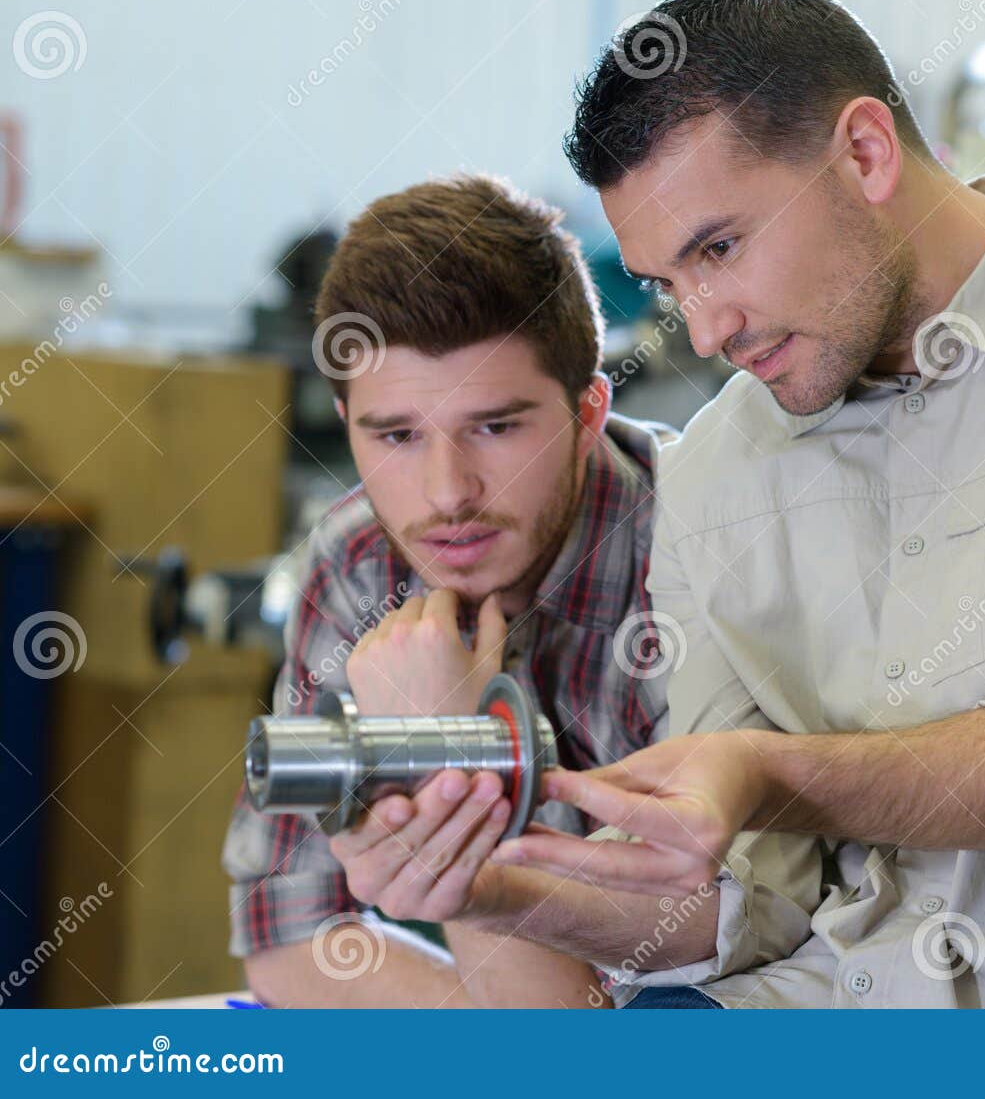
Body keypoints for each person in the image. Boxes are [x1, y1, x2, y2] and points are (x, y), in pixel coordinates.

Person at [329, 0, 985, 1009]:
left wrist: (772, 773)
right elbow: (748, 902)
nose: (704, 331)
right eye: (667, 283)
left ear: (865, 154)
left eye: (717, 248)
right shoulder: (713, 471)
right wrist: (486, 886)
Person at [221, 175, 671, 1007]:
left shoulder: (700, 557)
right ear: (344, 420)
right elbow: (290, 934)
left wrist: (452, 752)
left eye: (495, 428)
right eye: (395, 435)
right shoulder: (359, 557)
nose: (446, 494)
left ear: (588, 413)